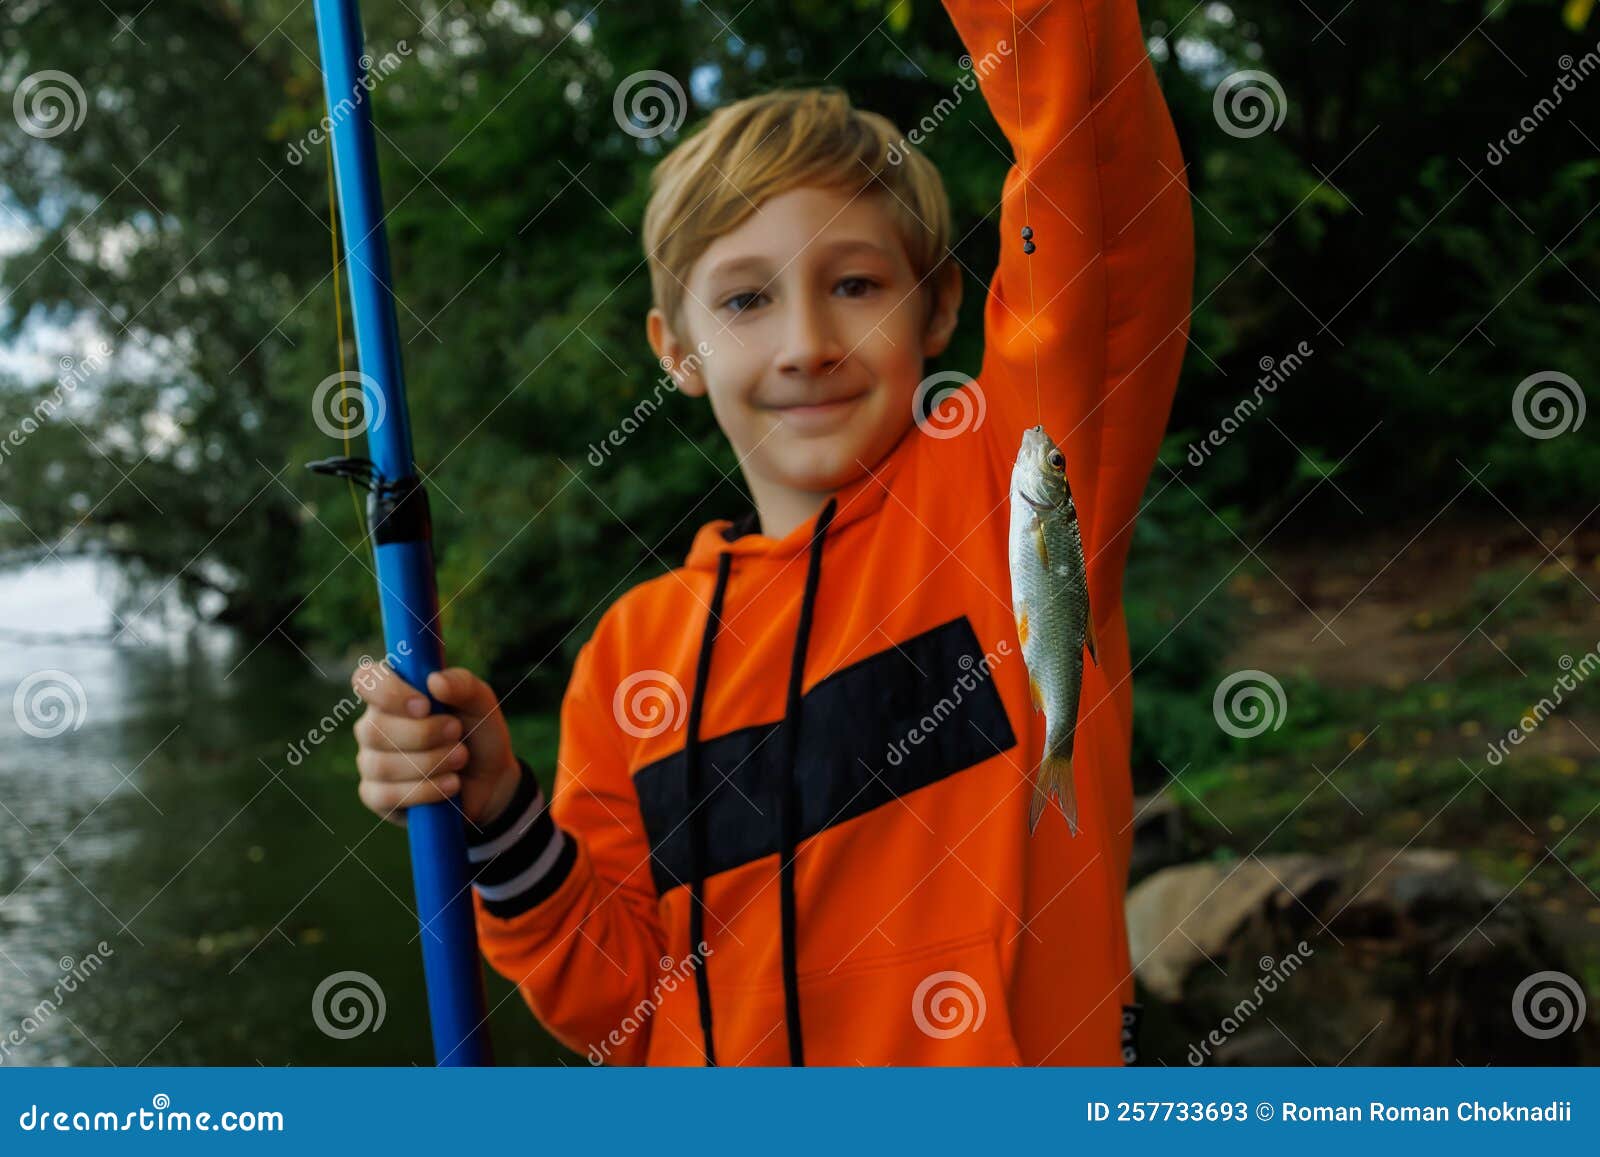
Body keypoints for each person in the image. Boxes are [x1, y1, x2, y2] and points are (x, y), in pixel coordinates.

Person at [353, 0, 1192, 1065]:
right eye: (746, 300)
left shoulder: (1002, 478)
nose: (806, 343)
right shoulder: (628, 658)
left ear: (939, 306)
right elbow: (621, 1004)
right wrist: (496, 813)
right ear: (675, 349)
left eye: (855, 284)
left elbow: (1101, 203)